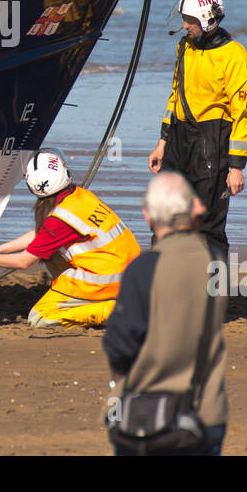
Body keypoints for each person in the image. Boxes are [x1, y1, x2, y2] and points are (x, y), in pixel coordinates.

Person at [103, 171, 228, 456]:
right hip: (207, 410)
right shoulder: (216, 263)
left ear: (148, 217)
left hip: (149, 414)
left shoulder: (144, 268)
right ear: (192, 209)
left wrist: (118, 386)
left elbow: (120, 345)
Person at [0, 150, 140, 327]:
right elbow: (42, 236)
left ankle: (113, 311)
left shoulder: (59, 219)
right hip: (130, 273)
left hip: (107, 278)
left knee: (40, 318)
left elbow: (23, 262)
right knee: (51, 253)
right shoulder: (79, 196)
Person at [147, 0, 247, 253]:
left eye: (190, 21)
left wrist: (236, 167)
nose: (184, 26)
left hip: (211, 145)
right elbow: (175, 96)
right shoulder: (184, 47)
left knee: (208, 226)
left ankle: (212, 293)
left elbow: (241, 115)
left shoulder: (234, 56)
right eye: (183, 19)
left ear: (208, 21)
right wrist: (163, 142)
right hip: (178, 142)